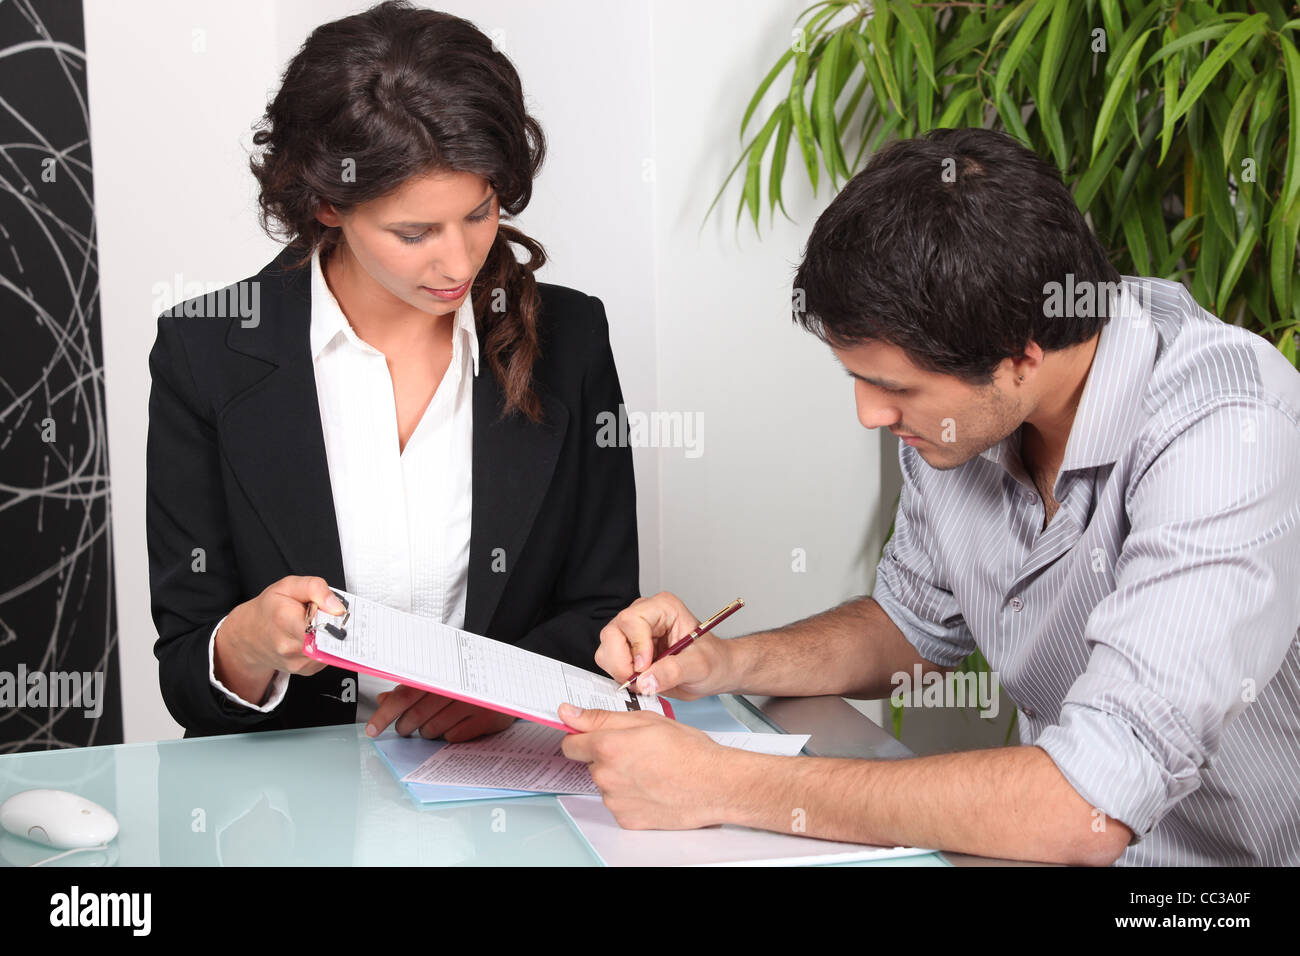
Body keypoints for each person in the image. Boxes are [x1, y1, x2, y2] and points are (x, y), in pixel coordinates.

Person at [561, 127, 1300, 866]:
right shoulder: (966, 422)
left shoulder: (1227, 431)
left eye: (893, 387)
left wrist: (725, 783)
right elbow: (911, 627)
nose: (870, 416)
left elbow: (1086, 806)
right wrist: (727, 662)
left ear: (1021, 356)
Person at [147, 1, 638, 741]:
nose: (460, 261)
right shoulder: (206, 352)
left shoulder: (572, 337)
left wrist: (496, 693)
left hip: (502, 786)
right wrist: (246, 644)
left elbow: (603, 608)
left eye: (480, 213)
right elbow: (187, 671)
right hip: (291, 812)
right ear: (326, 205)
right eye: (414, 233)